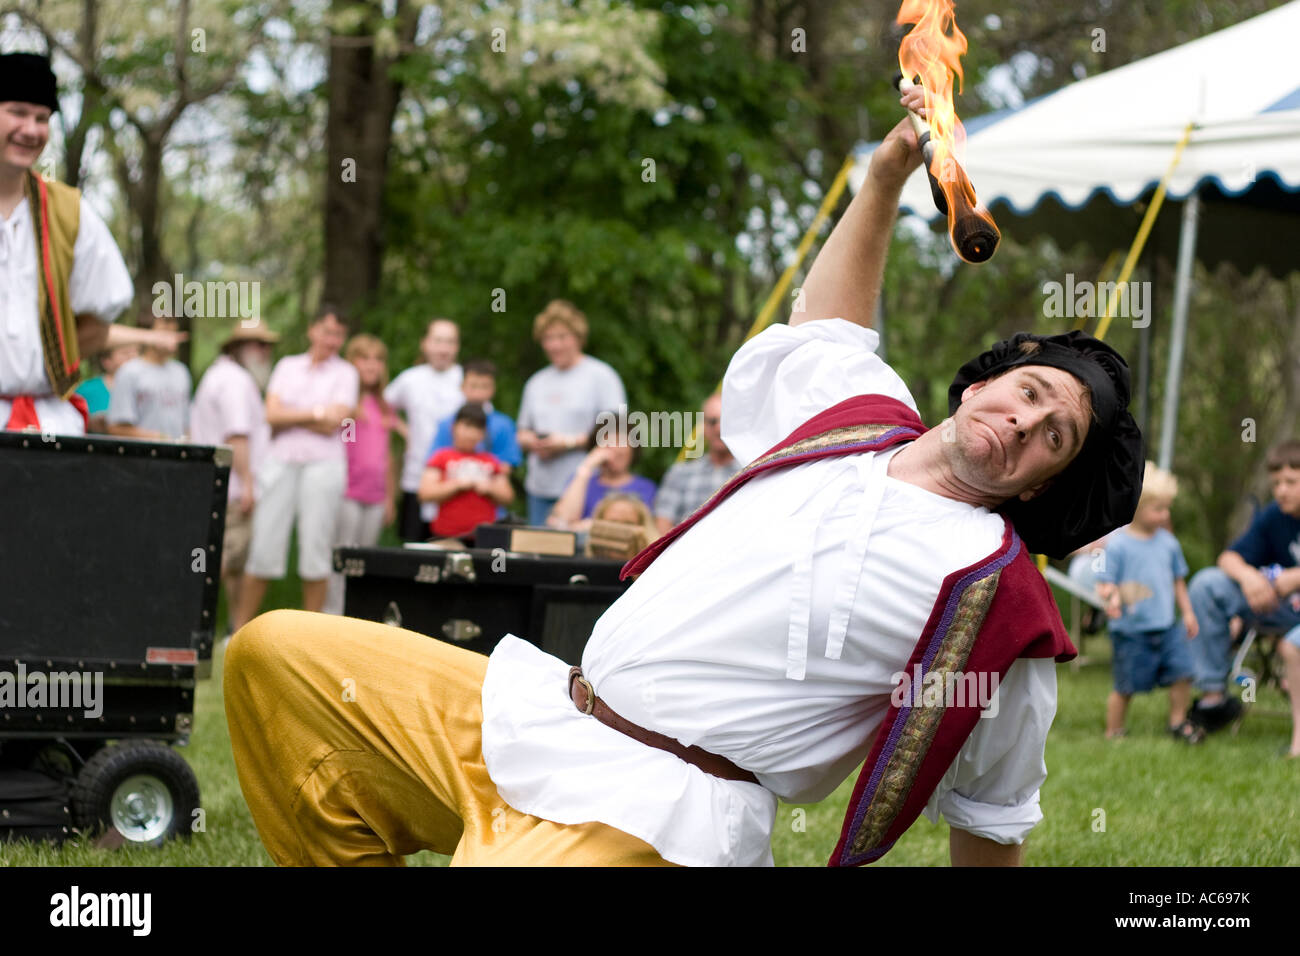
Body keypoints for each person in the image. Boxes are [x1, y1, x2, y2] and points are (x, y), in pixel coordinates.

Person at [224, 85, 1143, 867]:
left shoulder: (998, 598)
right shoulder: (861, 419)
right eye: (1027, 390)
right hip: (538, 714)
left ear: (1040, 486)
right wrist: (886, 175)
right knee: (277, 657)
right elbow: (832, 324)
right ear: (985, 380)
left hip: (662, 811)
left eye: (1052, 435)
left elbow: (994, 813)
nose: (1022, 419)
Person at [0, 51, 160, 436]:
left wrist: (50, 364)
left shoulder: (69, 212)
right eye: (17, 112)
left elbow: (95, 322)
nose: (31, 129)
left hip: (50, 424)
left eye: (42, 118)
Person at [232, 306, 359, 629]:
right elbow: (271, 414)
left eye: (339, 335)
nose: (333, 340)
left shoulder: (346, 373)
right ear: (313, 330)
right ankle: (240, 630)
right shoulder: (288, 366)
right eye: (328, 332)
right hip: (281, 463)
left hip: (324, 466)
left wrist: (295, 415)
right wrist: (317, 413)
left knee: (315, 549)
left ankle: (310, 635)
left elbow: (338, 422)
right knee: (264, 546)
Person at [1188, 439, 1300, 741]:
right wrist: (1249, 576)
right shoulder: (1275, 516)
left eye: (1291, 482)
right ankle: (1214, 700)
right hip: (1278, 607)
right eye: (1276, 483)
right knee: (1207, 583)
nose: (1281, 491)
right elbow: (1228, 557)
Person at [1094, 463, 1200, 741]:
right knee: (1126, 685)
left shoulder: (1168, 543)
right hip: (1130, 631)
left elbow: (1179, 580)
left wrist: (1188, 613)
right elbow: (1106, 581)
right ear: (1136, 508)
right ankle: (1114, 731)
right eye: (1158, 509)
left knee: (1183, 672)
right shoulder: (1118, 545)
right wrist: (1111, 598)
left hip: (1166, 626)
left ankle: (1177, 722)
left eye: (1167, 508)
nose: (1165, 515)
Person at [189, 322, 279, 631]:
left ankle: (233, 630)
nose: (266, 352)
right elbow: (237, 435)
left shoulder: (221, 376)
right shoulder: (234, 382)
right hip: (233, 486)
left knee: (232, 562)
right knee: (220, 560)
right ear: (239, 347)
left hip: (221, 483)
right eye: (259, 345)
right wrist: (249, 484)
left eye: (267, 346)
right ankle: (195, 628)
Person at [516, 300, 626, 525]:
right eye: (548, 338)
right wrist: (533, 442)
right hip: (540, 490)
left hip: (588, 487)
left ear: (578, 337)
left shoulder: (602, 377)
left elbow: (617, 436)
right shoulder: (536, 382)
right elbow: (522, 431)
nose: (555, 345)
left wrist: (566, 443)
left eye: (562, 337)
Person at [324, 334, 400, 615]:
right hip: (348, 491)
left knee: (366, 558)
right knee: (343, 555)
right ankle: (332, 613)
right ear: (351, 362)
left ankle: (357, 614)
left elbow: (387, 455)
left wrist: (390, 497)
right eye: (364, 358)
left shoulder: (384, 406)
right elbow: (341, 445)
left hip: (375, 494)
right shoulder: (347, 404)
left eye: (378, 359)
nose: (371, 365)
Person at [385, 318, 462, 541]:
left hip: (454, 485)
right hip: (415, 479)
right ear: (425, 344)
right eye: (438, 341)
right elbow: (381, 407)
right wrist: (403, 429)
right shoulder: (410, 379)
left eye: (450, 342)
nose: (443, 349)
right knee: (414, 551)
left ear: (457, 347)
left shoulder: (466, 380)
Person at [418, 403, 513, 540]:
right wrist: (456, 485)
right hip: (446, 536)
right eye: (467, 426)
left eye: (478, 428)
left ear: (483, 433)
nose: (472, 433)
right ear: (454, 427)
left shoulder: (491, 461)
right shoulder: (441, 457)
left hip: (484, 537)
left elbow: (508, 496)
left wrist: (490, 489)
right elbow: (424, 493)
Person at [654, 393, 740, 535]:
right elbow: (662, 525)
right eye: (712, 422)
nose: (719, 429)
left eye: (725, 421)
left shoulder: (752, 472)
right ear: (703, 428)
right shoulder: (680, 473)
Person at [547, 431, 656, 533]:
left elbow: (640, 529)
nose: (615, 449)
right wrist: (586, 467)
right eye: (608, 443)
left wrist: (591, 526)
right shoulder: (580, 481)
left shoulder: (645, 488)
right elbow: (562, 523)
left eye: (621, 442)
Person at [106, 311, 192, 440]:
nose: (171, 338)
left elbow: (186, 425)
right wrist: (159, 438)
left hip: (176, 458)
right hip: (142, 457)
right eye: (164, 333)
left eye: (173, 332)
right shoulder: (129, 372)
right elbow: (116, 427)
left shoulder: (181, 372)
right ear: (146, 334)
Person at [427, 359, 521, 468]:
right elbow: (434, 464)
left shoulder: (504, 425)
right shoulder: (446, 423)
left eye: (485, 386)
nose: (478, 393)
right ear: (462, 386)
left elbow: (507, 464)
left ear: (493, 388)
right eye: (473, 386)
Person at [76, 342, 137, 434]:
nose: (133, 358)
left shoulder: (146, 390)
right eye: (125, 353)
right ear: (106, 361)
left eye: (136, 353)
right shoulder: (85, 390)